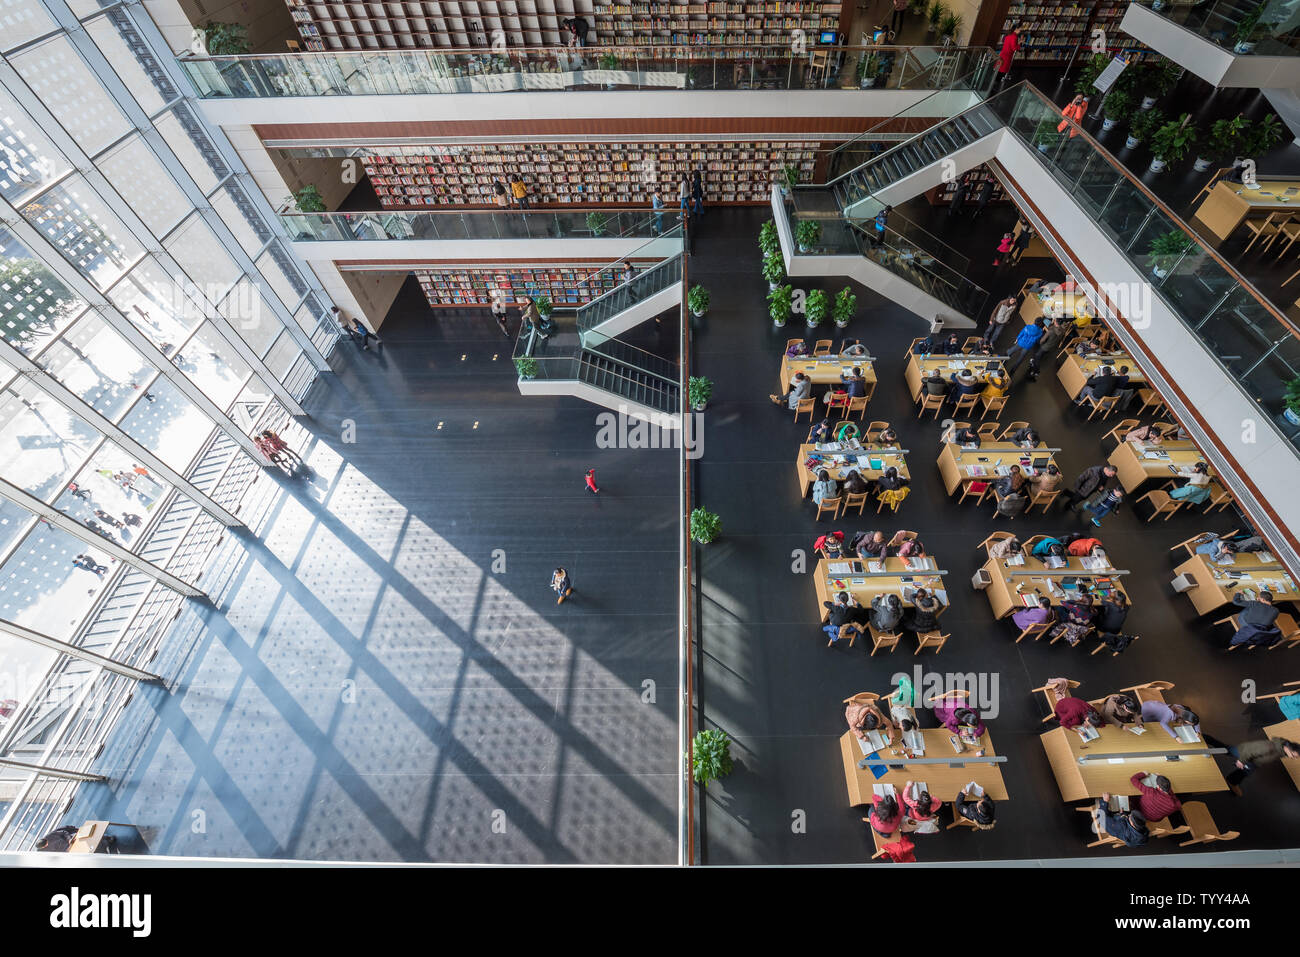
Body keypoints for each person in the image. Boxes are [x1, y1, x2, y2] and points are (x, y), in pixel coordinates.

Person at [1217, 737, 1300, 795]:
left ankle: (1231, 781)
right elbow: (1249, 752)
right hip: (1245, 753)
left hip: (1254, 761)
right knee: (1227, 749)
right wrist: (1241, 761)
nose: (1294, 758)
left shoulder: (1284, 749)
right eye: (1294, 755)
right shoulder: (1269, 747)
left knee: (1246, 771)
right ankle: (1206, 738)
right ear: (1289, 749)